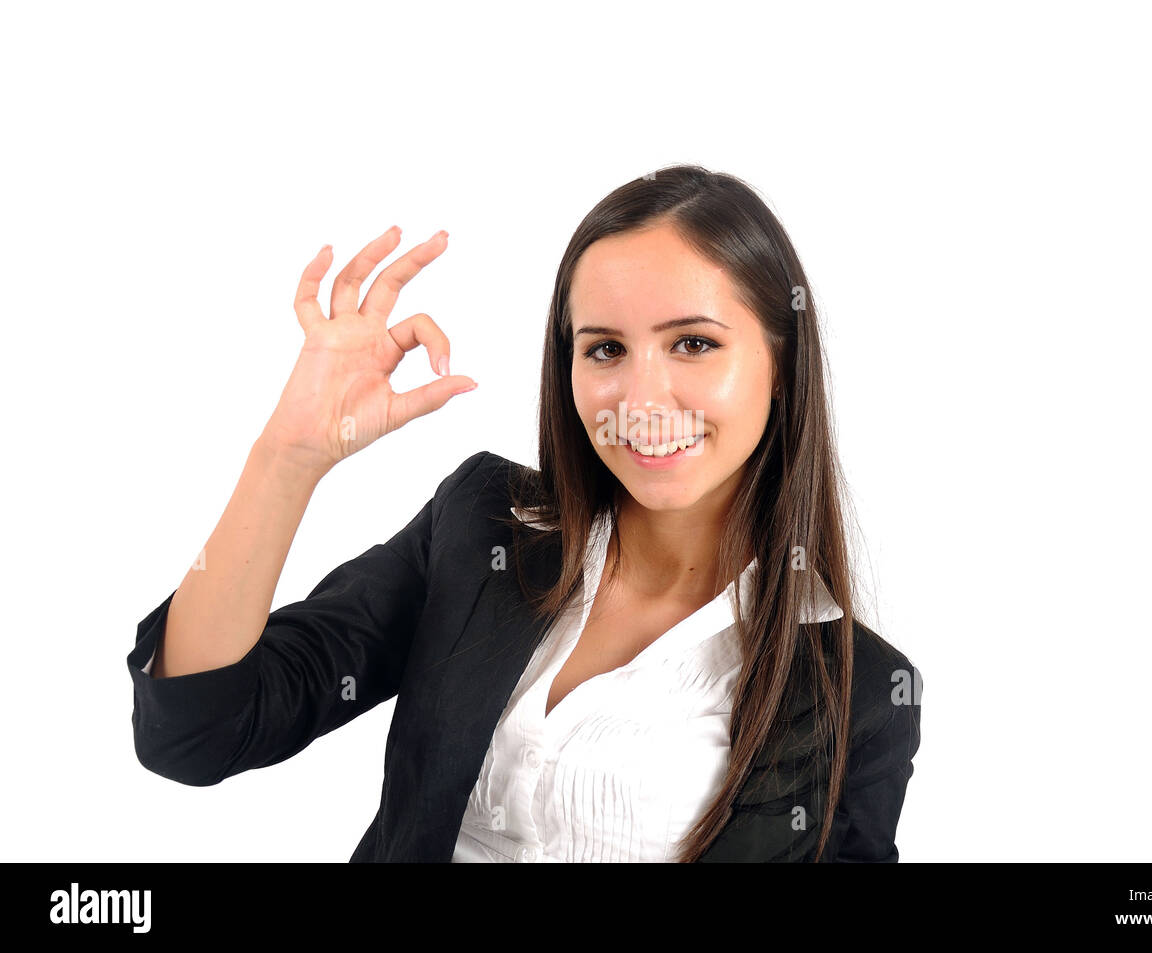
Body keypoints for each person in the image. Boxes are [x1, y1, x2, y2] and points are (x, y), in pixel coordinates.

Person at [127, 164, 922, 862]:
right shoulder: (485, 529)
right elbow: (195, 730)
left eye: (692, 344)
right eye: (605, 348)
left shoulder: (859, 695)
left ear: (780, 365)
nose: (641, 399)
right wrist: (289, 455)